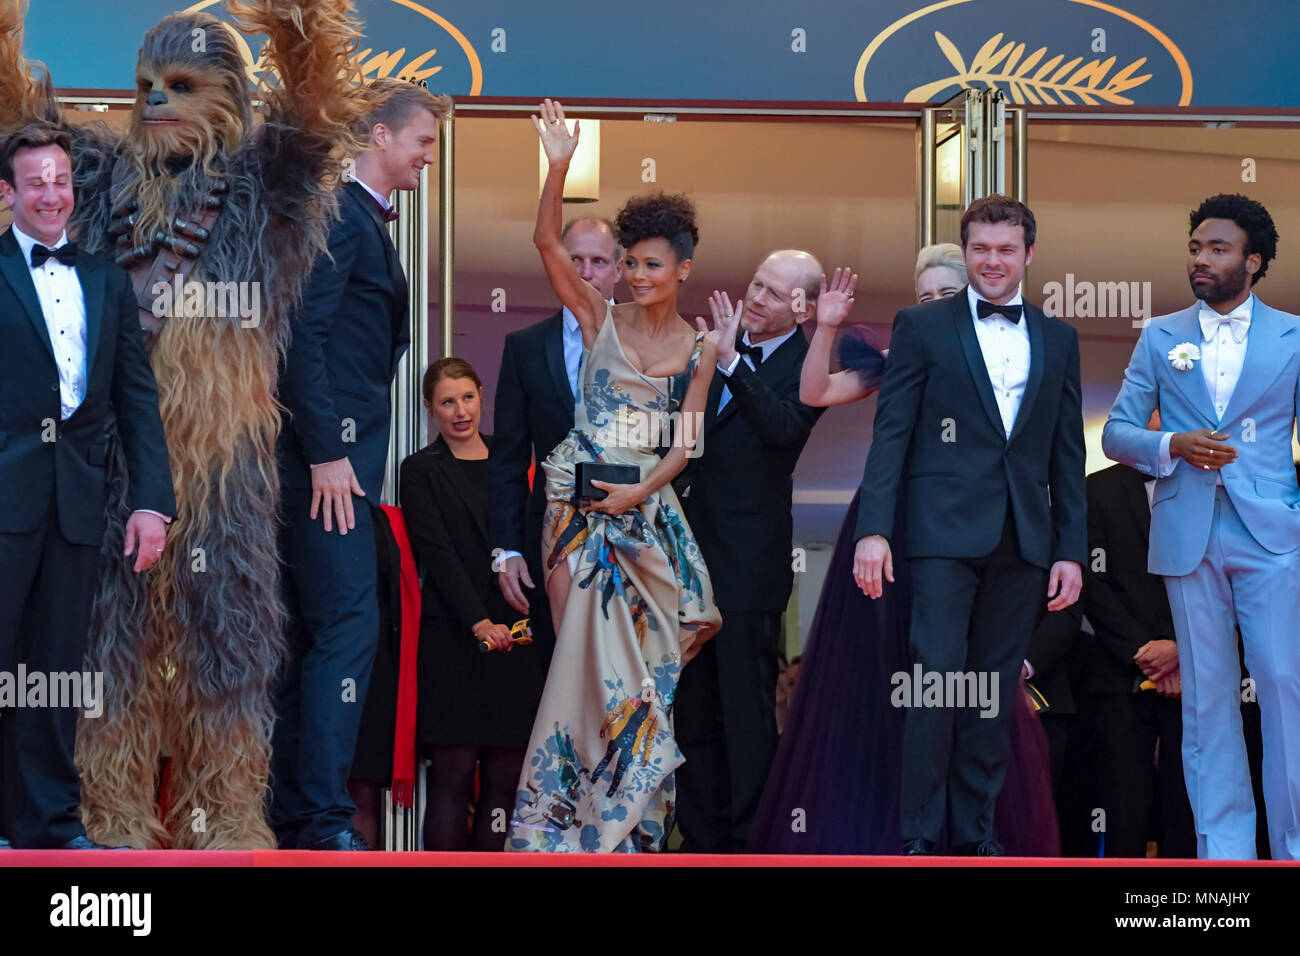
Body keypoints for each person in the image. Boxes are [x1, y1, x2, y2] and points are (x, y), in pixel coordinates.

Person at [750, 244, 1061, 855]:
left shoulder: (1016, 360)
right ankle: (891, 835)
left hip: (972, 536)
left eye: (948, 295)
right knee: (882, 687)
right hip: (889, 532)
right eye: (925, 299)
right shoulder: (900, 356)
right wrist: (828, 326)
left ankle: (967, 832)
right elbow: (813, 393)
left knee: (967, 692)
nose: (936, 308)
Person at [507, 100, 720, 853]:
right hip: (579, 510)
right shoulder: (599, 318)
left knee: (645, 683)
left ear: (682, 269)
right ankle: (563, 828)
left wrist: (641, 492)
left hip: (649, 516)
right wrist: (557, 165)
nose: (633, 276)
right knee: (580, 670)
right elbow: (542, 239)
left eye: (650, 265)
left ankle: (630, 830)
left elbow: (688, 445)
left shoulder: (701, 350)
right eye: (628, 263)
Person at [854, 197, 1087, 856]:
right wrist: (876, 528)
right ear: (967, 251)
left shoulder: (1059, 338)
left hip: (1024, 540)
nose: (993, 261)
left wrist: (1070, 549)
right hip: (939, 538)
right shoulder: (922, 328)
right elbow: (890, 432)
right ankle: (921, 838)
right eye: (981, 249)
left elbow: (1067, 454)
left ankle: (973, 839)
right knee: (936, 683)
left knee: (993, 693)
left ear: (1029, 255)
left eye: (1006, 250)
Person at [270, 79, 449, 852]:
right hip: (327, 472)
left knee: (315, 636)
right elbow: (299, 340)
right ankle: (322, 818)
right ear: (379, 137)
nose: (427, 157)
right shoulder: (342, 216)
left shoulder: (357, 221)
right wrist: (328, 456)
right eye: (422, 142)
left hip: (336, 467)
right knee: (346, 628)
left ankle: (297, 812)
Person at [1102, 193, 1300, 861]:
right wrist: (1172, 445)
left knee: (1282, 686)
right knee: (1207, 703)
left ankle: (1295, 849)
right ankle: (1227, 858)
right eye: (1195, 248)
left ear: (1255, 260)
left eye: (1218, 249)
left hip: (1272, 535)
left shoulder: (1294, 335)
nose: (1201, 260)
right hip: (1188, 533)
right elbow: (1119, 434)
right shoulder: (1160, 335)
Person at [0, 125, 174, 849]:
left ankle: (47, 825)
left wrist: (151, 502)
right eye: (35, 181)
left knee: (53, 676)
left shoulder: (104, 280)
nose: (51, 194)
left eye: (60, 181)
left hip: (76, 507)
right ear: (6, 194)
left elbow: (137, 401)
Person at [673, 249, 827, 852]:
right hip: (689, 562)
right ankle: (702, 842)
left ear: (804, 308)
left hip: (750, 567)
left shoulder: (807, 362)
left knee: (745, 715)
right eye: (756, 285)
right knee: (695, 714)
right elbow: (685, 440)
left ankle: (751, 845)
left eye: (772, 292)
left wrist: (733, 360)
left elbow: (784, 429)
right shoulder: (712, 349)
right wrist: (710, 360)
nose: (755, 297)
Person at [400, 358, 544, 850]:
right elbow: (436, 554)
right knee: (453, 774)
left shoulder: (514, 459)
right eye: (446, 401)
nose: (460, 411)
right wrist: (480, 622)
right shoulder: (419, 470)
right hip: (454, 636)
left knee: (505, 776)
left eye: (467, 397)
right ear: (430, 409)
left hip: (518, 634)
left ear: (482, 394)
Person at [490, 217, 623, 670]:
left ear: (619, 269)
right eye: (575, 260)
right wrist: (506, 550)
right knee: (559, 674)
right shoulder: (525, 347)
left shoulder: (651, 343)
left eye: (599, 262)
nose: (585, 273)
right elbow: (508, 458)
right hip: (549, 538)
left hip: (632, 536)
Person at [1086, 410, 1196, 858]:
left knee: (1187, 813)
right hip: (1116, 678)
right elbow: (1092, 583)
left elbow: (1221, 581)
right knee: (1120, 811)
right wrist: (1143, 651)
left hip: (1194, 682)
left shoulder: (1214, 490)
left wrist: (1179, 648)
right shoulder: (1096, 489)